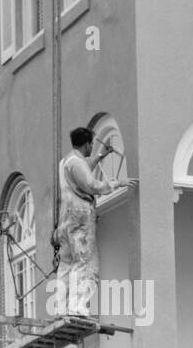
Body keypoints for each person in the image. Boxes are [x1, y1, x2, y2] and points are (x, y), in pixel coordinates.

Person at [53, 126, 137, 314]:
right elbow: (91, 184)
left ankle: (61, 307)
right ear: (87, 144)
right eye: (91, 143)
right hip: (80, 219)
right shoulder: (76, 164)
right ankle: (77, 307)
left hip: (66, 221)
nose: (92, 146)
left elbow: (82, 170)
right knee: (85, 262)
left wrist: (100, 156)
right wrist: (117, 183)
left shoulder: (66, 162)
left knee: (66, 264)